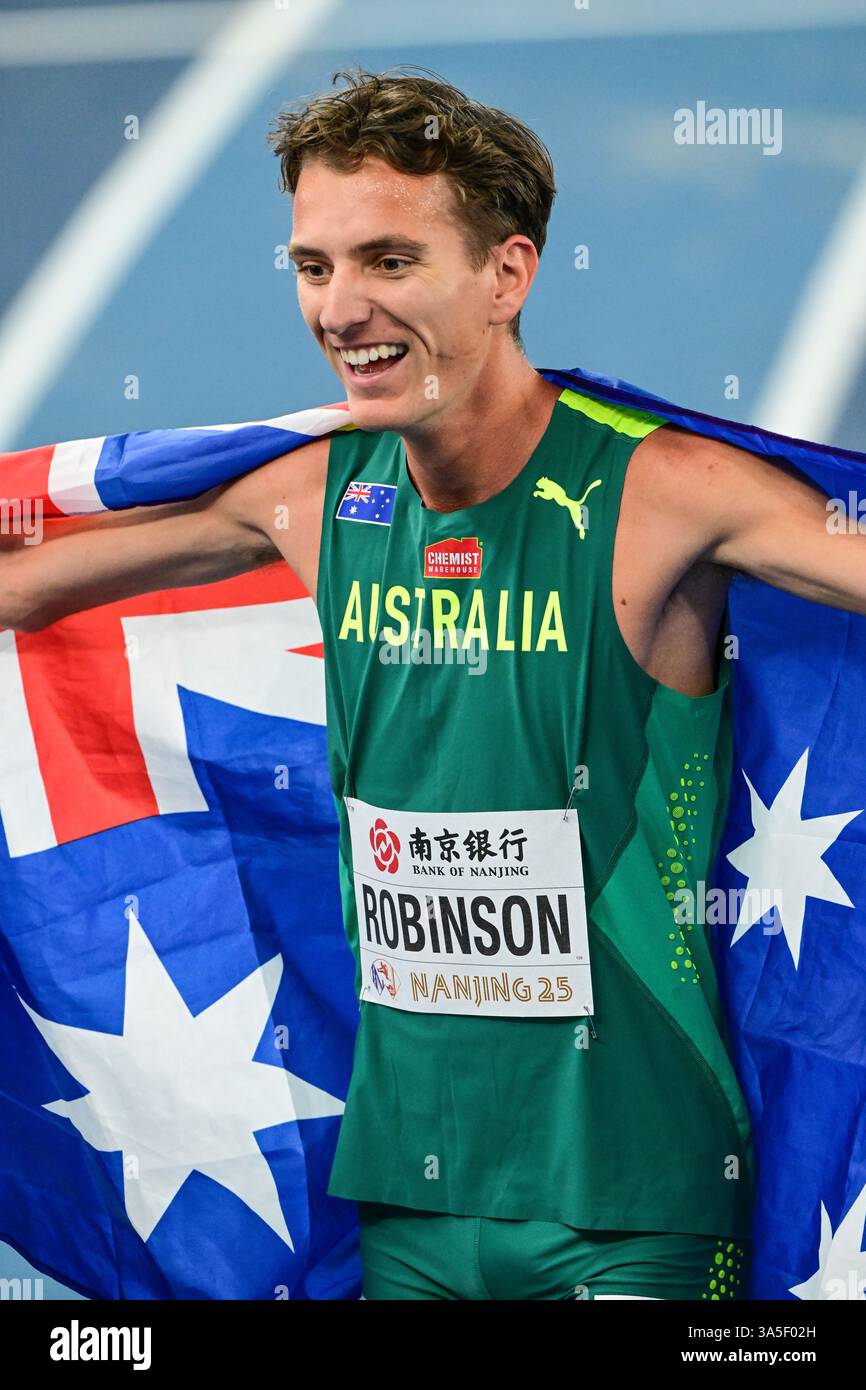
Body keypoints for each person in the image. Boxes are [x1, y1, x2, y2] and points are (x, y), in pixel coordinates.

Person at [2, 68, 863, 1301]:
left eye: (388, 262)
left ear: (507, 275)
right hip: (409, 1197)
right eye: (312, 266)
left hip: (629, 1205)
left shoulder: (661, 493)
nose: (340, 307)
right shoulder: (312, 494)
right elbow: (24, 581)